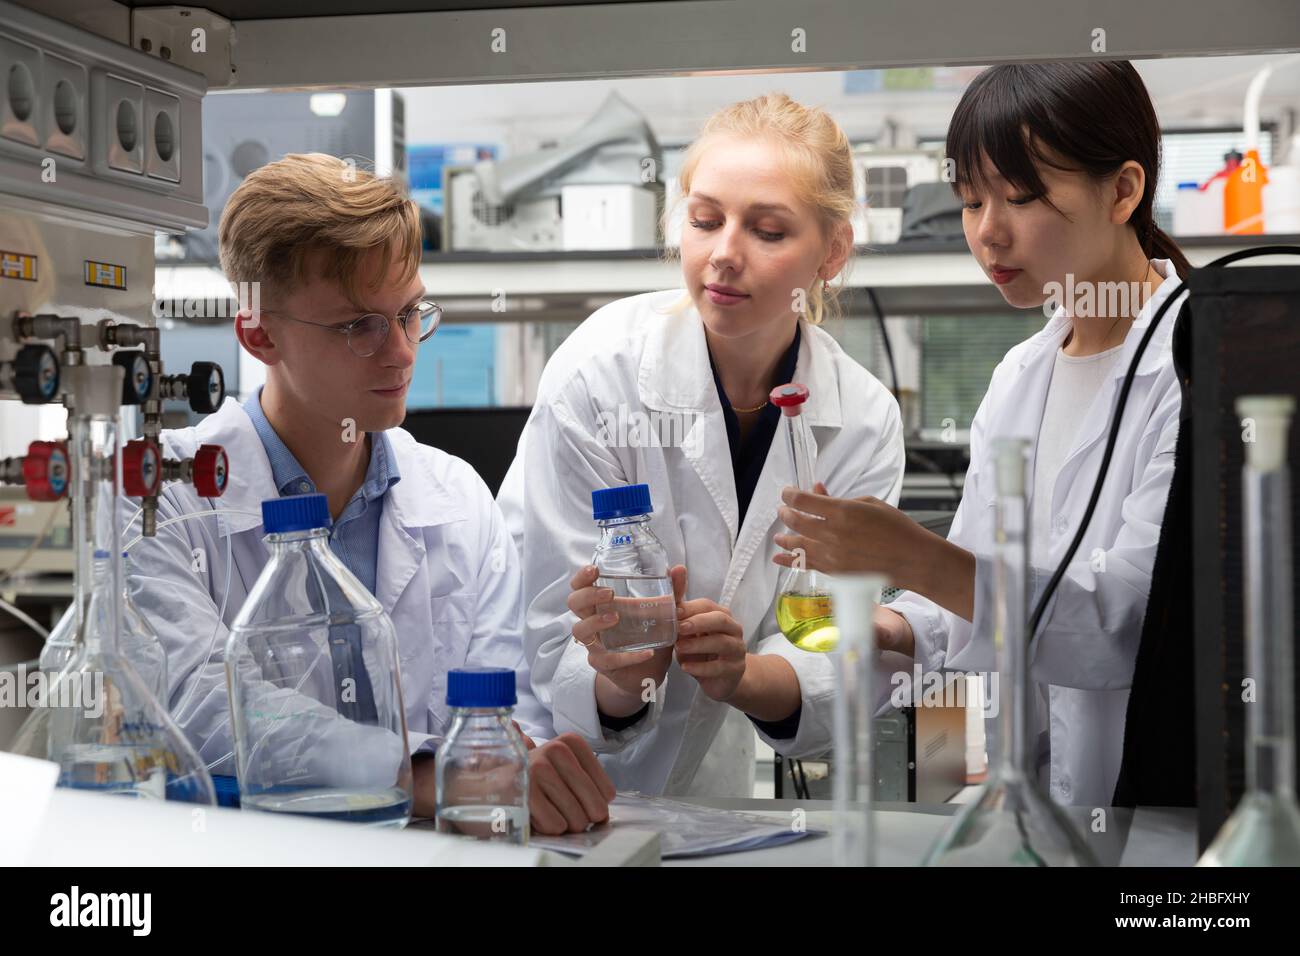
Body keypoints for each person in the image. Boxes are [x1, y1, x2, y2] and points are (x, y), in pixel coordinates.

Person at [127, 153, 614, 833]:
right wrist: (427, 777)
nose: (404, 350)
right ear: (257, 331)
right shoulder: (162, 499)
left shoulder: (456, 499)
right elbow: (196, 706)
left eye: (410, 312)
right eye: (360, 325)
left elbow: (515, 719)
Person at [773, 62, 1191, 808]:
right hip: (1030, 810)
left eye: (1021, 197)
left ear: (1123, 191)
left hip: (1163, 816)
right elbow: (970, 589)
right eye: (969, 201)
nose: (986, 232)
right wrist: (894, 617)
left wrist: (910, 552)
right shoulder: (1020, 374)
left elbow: (1125, 626)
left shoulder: (1195, 368)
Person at [497, 94, 906, 797]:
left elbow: (840, 654)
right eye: (705, 220)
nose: (724, 254)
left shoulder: (862, 419)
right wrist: (625, 669)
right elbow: (545, 639)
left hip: (709, 801)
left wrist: (743, 674)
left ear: (832, 251)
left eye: (768, 231)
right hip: (550, 771)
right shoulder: (601, 374)